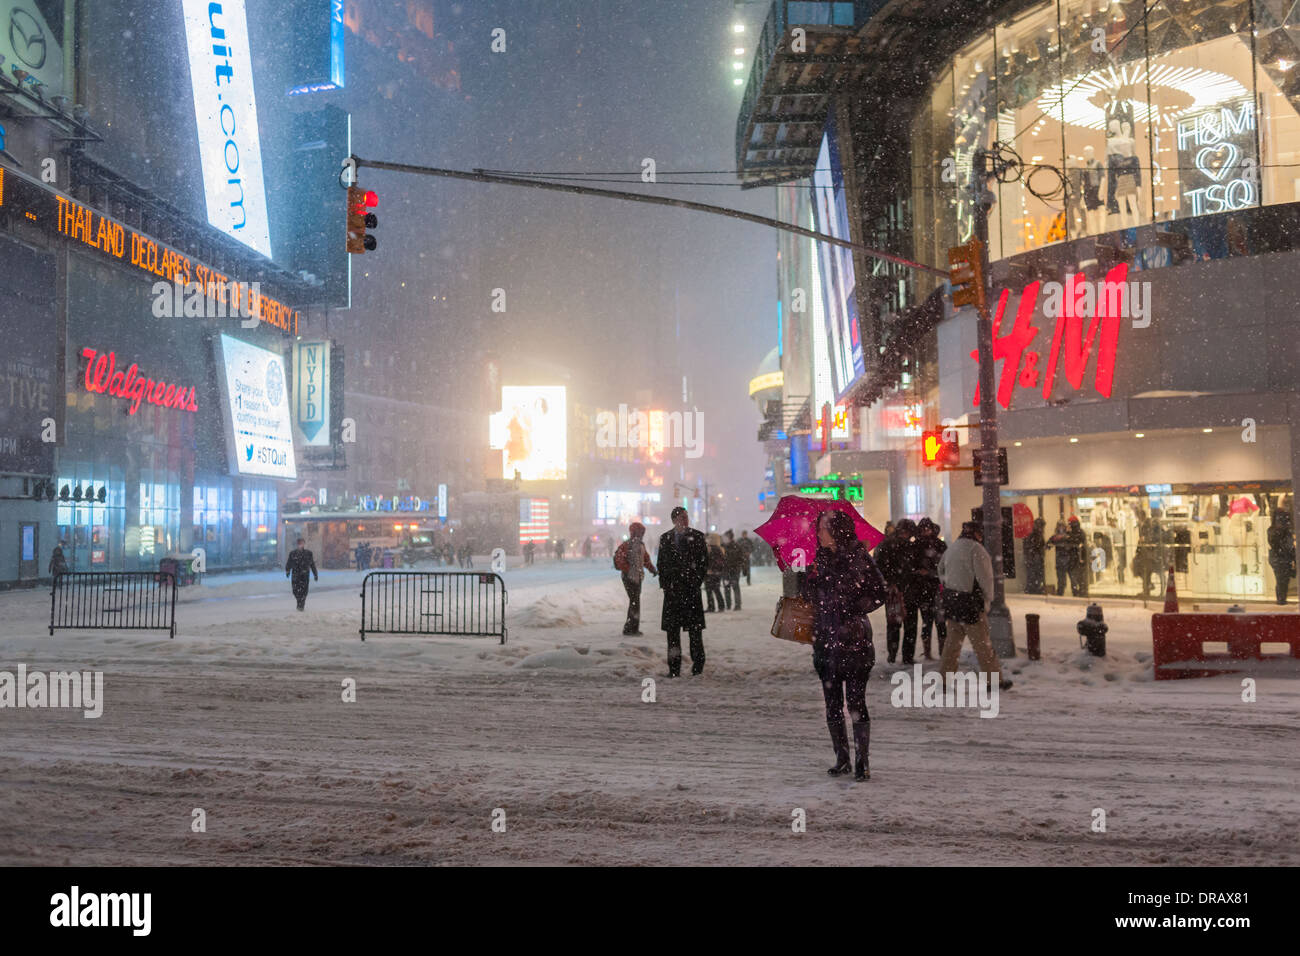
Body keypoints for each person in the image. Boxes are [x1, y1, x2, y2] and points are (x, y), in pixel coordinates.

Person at [800, 510, 887, 781]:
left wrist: (851, 607)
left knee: (856, 702)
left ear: (836, 531)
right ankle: (842, 758)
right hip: (825, 641)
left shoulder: (859, 558)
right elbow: (808, 596)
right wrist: (805, 577)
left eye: (822, 529)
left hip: (854, 640)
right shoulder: (817, 560)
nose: (818, 534)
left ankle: (862, 761)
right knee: (832, 703)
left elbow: (879, 593)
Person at [938, 521, 1012, 691]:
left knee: (952, 645)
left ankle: (944, 680)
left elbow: (940, 569)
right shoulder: (976, 550)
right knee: (982, 645)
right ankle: (994, 681)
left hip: (953, 602)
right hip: (971, 604)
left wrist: (950, 584)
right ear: (977, 534)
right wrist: (988, 599)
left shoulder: (953, 548)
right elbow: (985, 578)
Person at [657, 506, 708, 677]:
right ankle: (674, 668)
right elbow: (661, 564)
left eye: (686, 517)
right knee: (673, 634)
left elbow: (703, 563)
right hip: (672, 594)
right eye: (681, 518)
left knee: (695, 633)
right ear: (674, 520)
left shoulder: (698, 537)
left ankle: (698, 666)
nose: (685, 521)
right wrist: (666, 585)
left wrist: (695, 582)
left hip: (691, 592)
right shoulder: (665, 539)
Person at [872, 519, 917, 664]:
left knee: (895, 624)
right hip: (903, 589)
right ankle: (904, 656)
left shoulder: (886, 544)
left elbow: (877, 567)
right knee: (907, 624)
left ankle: (895, 655)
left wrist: (888, 583)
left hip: (896, 590)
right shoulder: (905, 546)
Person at [911, 518, 947, 660]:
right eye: (923, 529)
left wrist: (932, 572)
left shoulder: (939, 545)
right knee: (927, 620)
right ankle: (928, 652)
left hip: (937, 588)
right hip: (923, 588)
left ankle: (942, 651)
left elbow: (945, 565)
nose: (926, 532)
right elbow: (911, 566)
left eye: (928, 529)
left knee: (940, 621)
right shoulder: (917, 546)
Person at [615, 522, 657, 635]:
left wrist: (652, 569)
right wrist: (629, 570)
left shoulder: (639, 545)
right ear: (635, 532)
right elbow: (619, 560)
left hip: (636, 577)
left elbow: (646, 559)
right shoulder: (627, 545)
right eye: (641, 532)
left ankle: (631, 627)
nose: (642, 534)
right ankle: (630, 628)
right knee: (635, 601)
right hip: (629, 577)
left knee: (635, 601)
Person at [1268, 510, 1296, 605]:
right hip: (1280, 558)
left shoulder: (1281, 530)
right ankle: (1281, 600)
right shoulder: (1274, 530)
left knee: (1283, 581)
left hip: (1283, 558)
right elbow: (1277, 544)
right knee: (1281, 581)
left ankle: (1281, 600)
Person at [285, 537, 319, 611]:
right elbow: (289, 563)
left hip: (305, 575)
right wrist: (287, 571)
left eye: (302, 543)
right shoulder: (292, 553)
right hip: (296, 575)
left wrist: (315, 574)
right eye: (299, 543)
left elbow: (312, 564)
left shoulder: (308, 553)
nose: (300, 545)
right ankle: (299, 601)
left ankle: (301, 604)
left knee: (304, 591)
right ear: (297, 544)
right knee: (295, 590)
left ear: (304, 544)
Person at [1065, 516, 1089, 596]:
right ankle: (1080, 592)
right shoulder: (1079, 533)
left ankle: (1079, 593)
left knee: (1077, 579)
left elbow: (1076, 544)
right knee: (1079, 579)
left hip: (1076, 560)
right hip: (1076, 560)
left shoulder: (1075, 534)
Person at [1048, 520, 1071, 596]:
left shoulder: (1068, 536)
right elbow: (1048, 544)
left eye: (1062, 526)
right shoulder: (1055, 537)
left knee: (1069, 578)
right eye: (1059, 526)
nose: (1061, 528)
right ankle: (1061, 591)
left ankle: (1064, 590)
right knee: (1061, 578)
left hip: (1068, 560)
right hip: (1060, 561)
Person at [722, 530, 744, 610]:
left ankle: (738, 605)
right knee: (726, 587)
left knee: (735, 587)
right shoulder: (722, 546)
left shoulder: (736, 546)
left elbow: (741, 559)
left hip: (734, 570)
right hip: (725, 571)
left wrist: (738, 567)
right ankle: (728, 605)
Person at [704, 535, 727, 613]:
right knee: (711, 590)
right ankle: (713, 606)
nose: (708, 540)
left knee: (714, 589)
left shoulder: (716, 549)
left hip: (713, 573)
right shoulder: (716, 548)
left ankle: (717, 606)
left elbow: (718, 562)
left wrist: (711, 569)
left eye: (710, 538)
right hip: (712, 573)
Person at [1024, 518, 1046, 594]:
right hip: (1034, 558)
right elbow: (1032, 547)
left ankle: (1034, 589)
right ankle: (1033, 589)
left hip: (1035, 558)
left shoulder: (1037, 535)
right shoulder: (1034, 535)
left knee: (1035, 576)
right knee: (1034, 575)